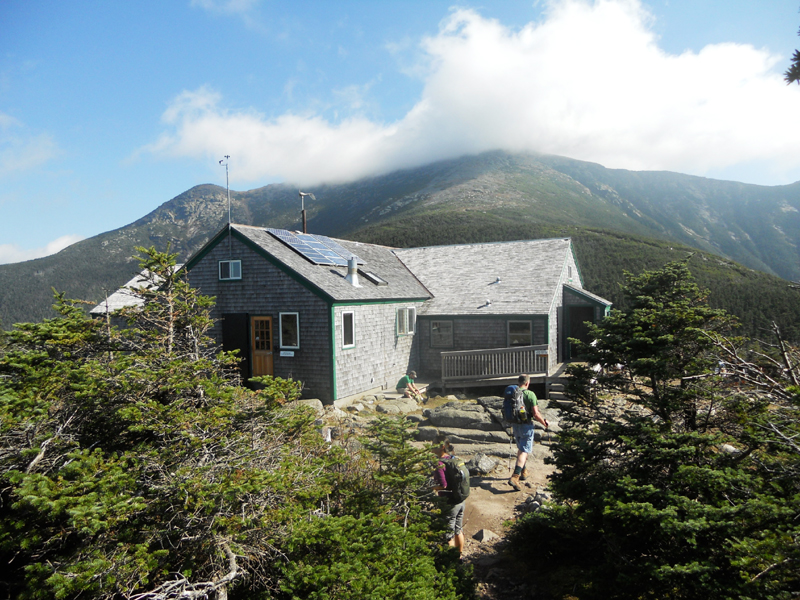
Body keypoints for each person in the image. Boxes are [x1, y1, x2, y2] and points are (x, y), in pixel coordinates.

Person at [507, 374, 548, 491]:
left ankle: (524, 471)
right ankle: (515, 476)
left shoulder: (512, 393)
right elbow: (535, 414)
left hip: (515, 424)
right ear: (527, 383)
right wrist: (544, 423)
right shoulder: (530, 394)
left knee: (521, 448)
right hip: (526, 425)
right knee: (524, 451)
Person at [432, 435, 466, 560]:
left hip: (449, 502)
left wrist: (431, 488)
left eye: (433, 444)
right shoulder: (453, 458)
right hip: (460, 500)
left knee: (448, 534)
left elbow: (443, 485)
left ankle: (451, 561)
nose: (431, 446)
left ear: (441, 447)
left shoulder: (440, 463)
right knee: (458, 529)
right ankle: (459, 557)